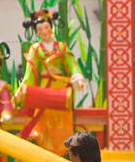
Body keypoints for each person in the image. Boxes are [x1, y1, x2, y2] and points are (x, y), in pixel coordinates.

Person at [17, 8, 86, 154]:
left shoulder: (61, 47)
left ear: (51, 26)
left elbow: (72, 64)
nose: (43, 31)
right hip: (44, 92)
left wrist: (77, 77)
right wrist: (22, 89)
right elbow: (30, 72)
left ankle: (63, 156)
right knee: (43, 127)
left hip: (61, 91)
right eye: (39, 29)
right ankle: (44, 161)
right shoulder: (35, 49)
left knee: (61, 126)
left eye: (46, 27)